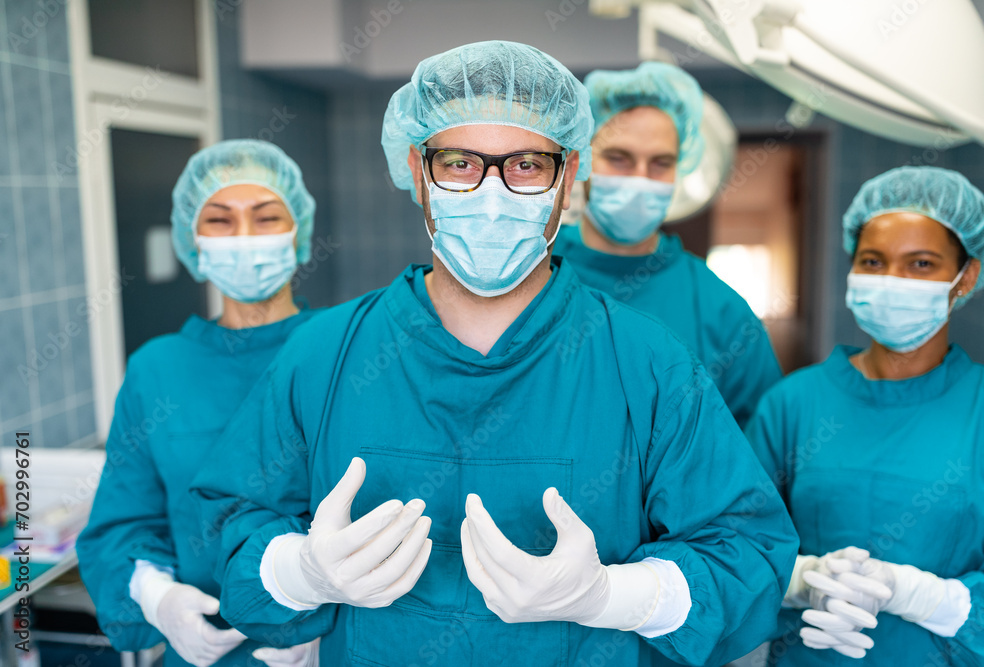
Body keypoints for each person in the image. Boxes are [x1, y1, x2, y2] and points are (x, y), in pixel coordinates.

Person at [191, 41, 798, 667]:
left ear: (569, 179)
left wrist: (614, 596)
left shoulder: (647, 365)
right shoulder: (324, 354)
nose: (491, 193)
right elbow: (230, 523)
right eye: (458, 162)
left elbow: (747, 552)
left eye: (527, 165)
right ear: (416, 170)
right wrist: (299, 572)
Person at [77, 140, 324, 667]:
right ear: (193, 239)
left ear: (298, 230)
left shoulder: (343, 349)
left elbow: (406, 509)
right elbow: (123, 522)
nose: (244, 239)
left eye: (265, 217)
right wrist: (155, 596)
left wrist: (341, 626)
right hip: (205, 653)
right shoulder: (157, 369)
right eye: (220, 220)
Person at [746, 166, 984, 664]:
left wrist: (920, 594)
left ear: (965, 277)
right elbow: (737, 548)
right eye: (873, 261)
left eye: (921, 264)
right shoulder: (793, 404)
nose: (892, 281)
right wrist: (799, 582)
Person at [554, 62, 783, 428]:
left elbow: (759, 453)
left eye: (660, 163)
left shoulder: (720, 310)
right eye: (619, 158)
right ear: (581, 160)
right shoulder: (534, 275)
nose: (640, 179)